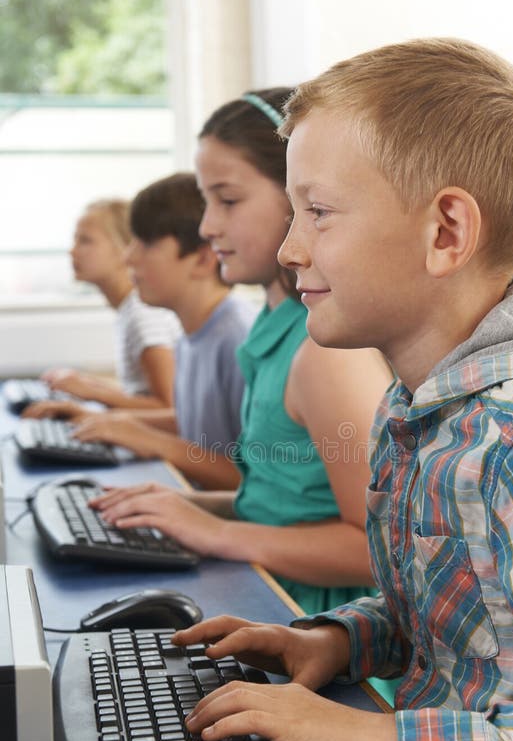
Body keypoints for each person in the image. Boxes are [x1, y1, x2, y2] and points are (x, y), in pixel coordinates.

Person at [169, 41, 513, 741]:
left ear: (445, 231)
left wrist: (377, 736)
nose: (291, 250)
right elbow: (464, 622)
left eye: (318, 213)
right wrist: (336, 639)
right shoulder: (424, 408)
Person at [91, 88, 391, 613]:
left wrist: (216, 533)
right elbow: (281, 509)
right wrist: (184, 507)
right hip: (274, 603)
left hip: (322, 628)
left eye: (227, 200)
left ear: (298, 194)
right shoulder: (275, 331)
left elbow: (375, 548)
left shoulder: (325, 353)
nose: (207, 227)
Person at [69, 173, 256, 490]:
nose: (128, 257)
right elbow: (196, 426)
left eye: (146, 243)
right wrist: (118, 423)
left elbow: (253, 479)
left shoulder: (238, 339)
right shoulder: (190, 334)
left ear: (202, 258)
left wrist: (154, 442)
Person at [23, 198, 181, 416]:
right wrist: (87, 383)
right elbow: (139, 392)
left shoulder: (144, 315)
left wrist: (91, 394)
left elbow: (168, 407)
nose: (72, 251)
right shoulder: (129, 309)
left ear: (124, 249)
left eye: (85, 241)